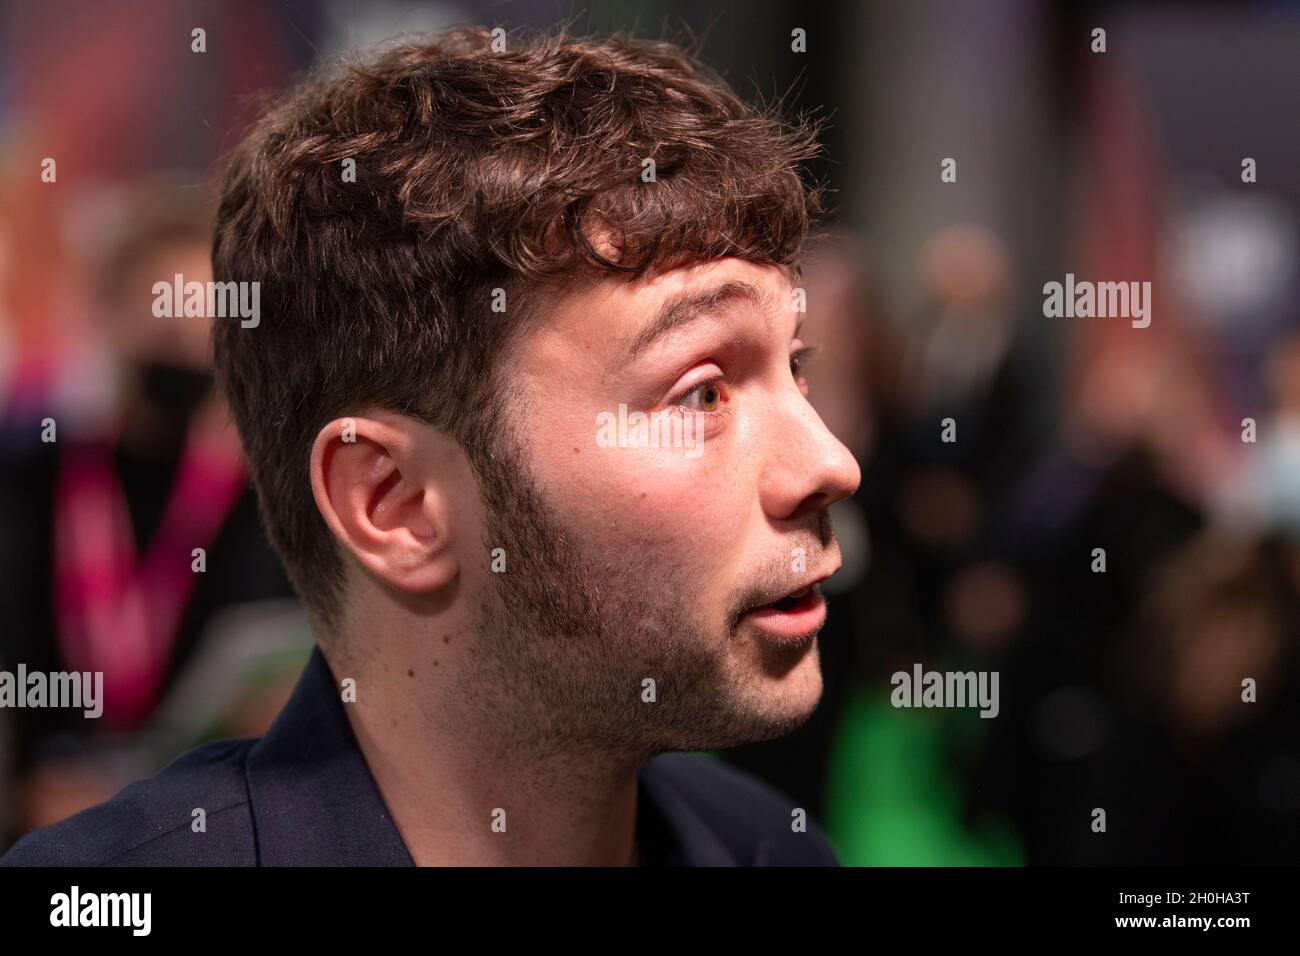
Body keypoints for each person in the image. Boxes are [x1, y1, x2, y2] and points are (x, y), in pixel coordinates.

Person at [2, 25, 860, 867]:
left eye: (797, 365)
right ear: (396, 503)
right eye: (701, 393)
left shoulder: (766, 845)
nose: (829, 463)